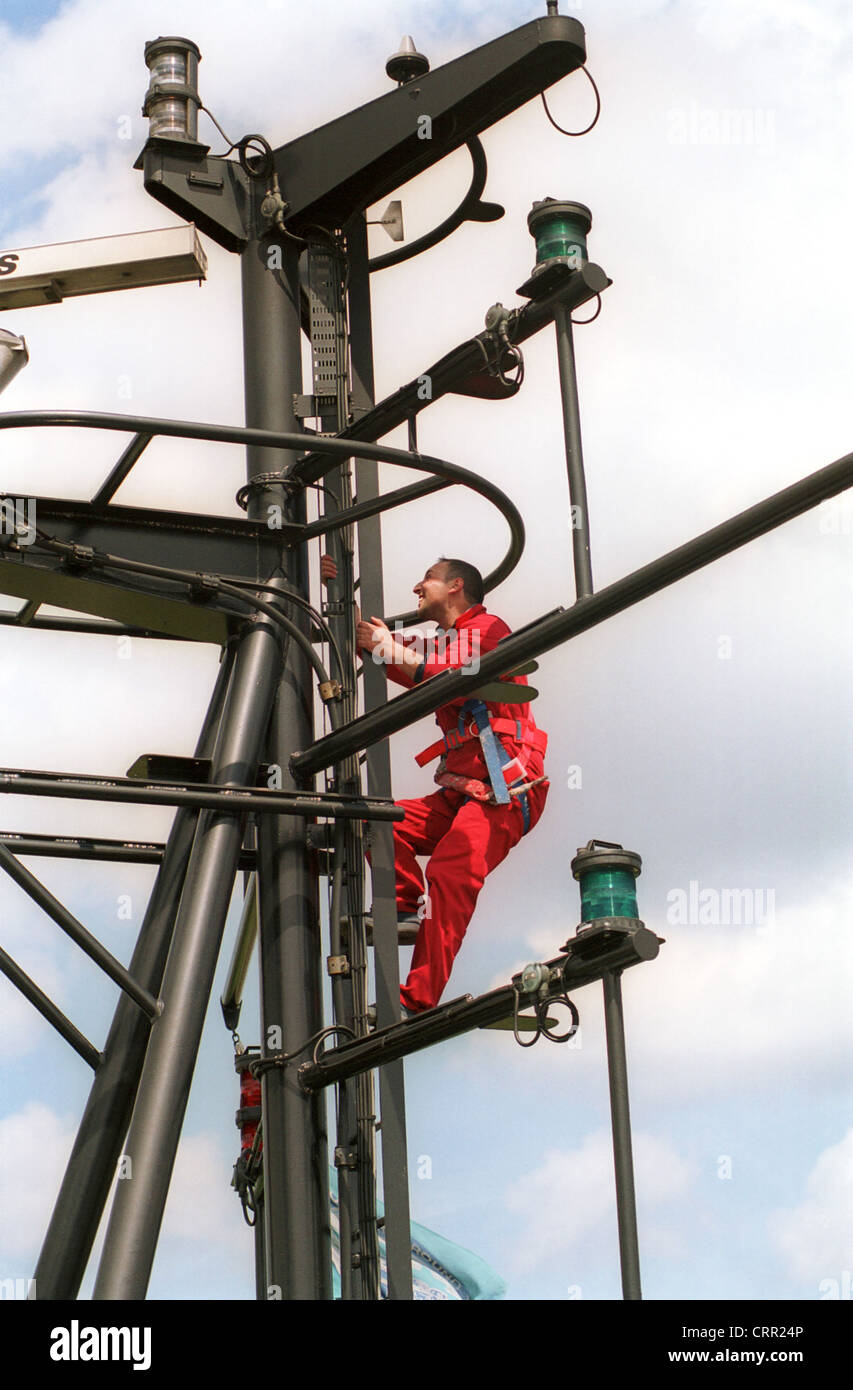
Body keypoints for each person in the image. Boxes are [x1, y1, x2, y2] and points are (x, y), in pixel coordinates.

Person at [320, 554, 548, 1017]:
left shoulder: (488, 631)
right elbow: (390, 654)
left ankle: (417, 1001)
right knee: (378, 821)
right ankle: (403, 904)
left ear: (456, 586)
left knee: (451, 872)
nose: (417, 588)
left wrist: (389, 647)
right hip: (464, 789)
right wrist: (342, 596)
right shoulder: (442, 642)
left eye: (427, 580)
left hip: (503, 788)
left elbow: (454, 679)